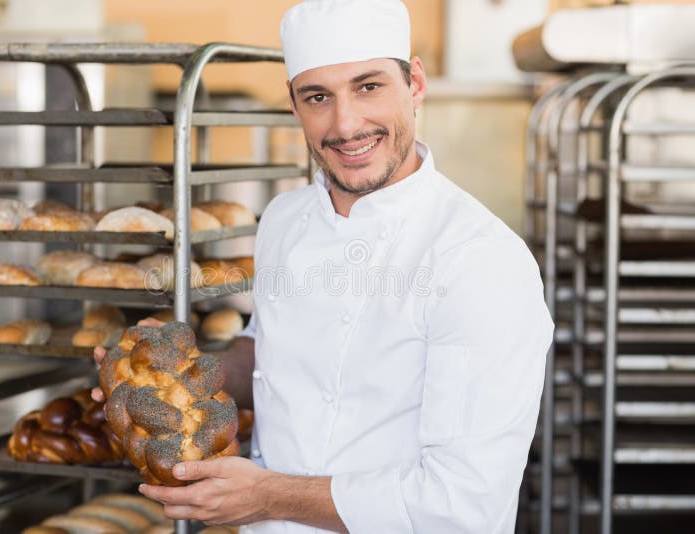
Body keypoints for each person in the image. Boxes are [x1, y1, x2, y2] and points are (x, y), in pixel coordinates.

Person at [93, 0, 554, 532]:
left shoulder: (480, 259)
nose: (346, 123)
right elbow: (273, 358)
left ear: (416, 85)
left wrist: (267, 497)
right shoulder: (286, 220)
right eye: (318, 97)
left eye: (369, 87)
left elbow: (461, 504)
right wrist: (176, 374)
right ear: (294, 104)